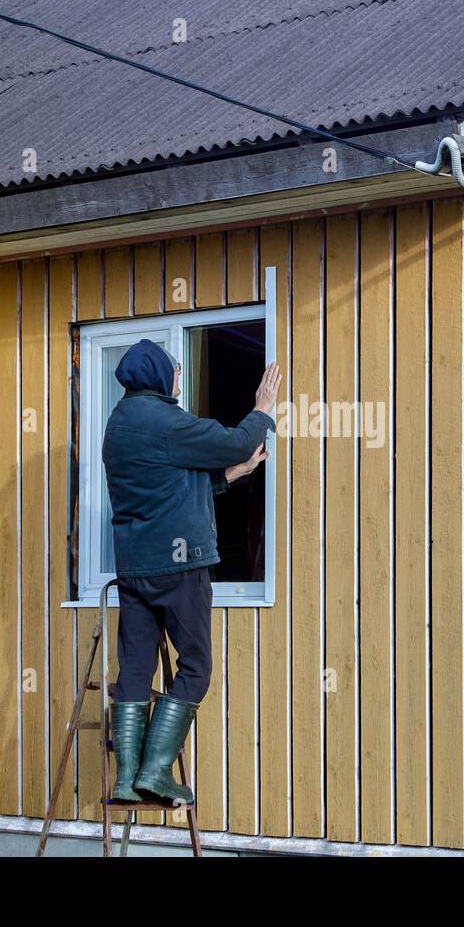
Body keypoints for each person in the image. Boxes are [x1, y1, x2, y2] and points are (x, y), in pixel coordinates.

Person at [102, 338, 281, 805]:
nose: (180, 377)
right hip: (179, 568)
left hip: (135, 569)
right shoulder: (166, 421)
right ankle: (156, 771)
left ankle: (125, 778)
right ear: (158, 374)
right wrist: (262, 410)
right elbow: (239, 440)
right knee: (196, 667)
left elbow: (168, 488)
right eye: (175, 369)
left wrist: (232, 476)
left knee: (135, 667)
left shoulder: (118, 423)